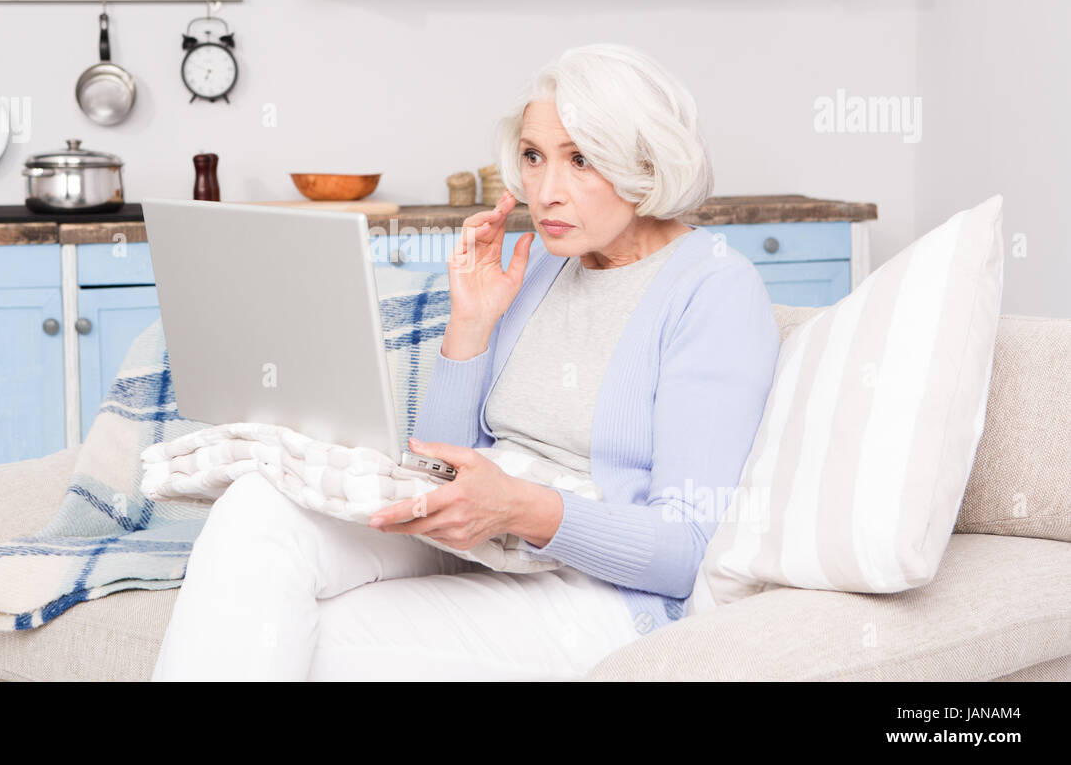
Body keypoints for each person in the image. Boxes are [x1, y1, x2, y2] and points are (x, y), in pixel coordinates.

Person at [150, 42, 780, 681]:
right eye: (534, 157)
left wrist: (518, 508)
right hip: (489, 540)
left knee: (300, 637)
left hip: (598, 590)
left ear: (647, 163)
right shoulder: (540, 262)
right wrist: (471, 322)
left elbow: (683, 550)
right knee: (258, 504)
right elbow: (442, 461)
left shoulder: (714, 288)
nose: (546, 192)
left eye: (581, 160)